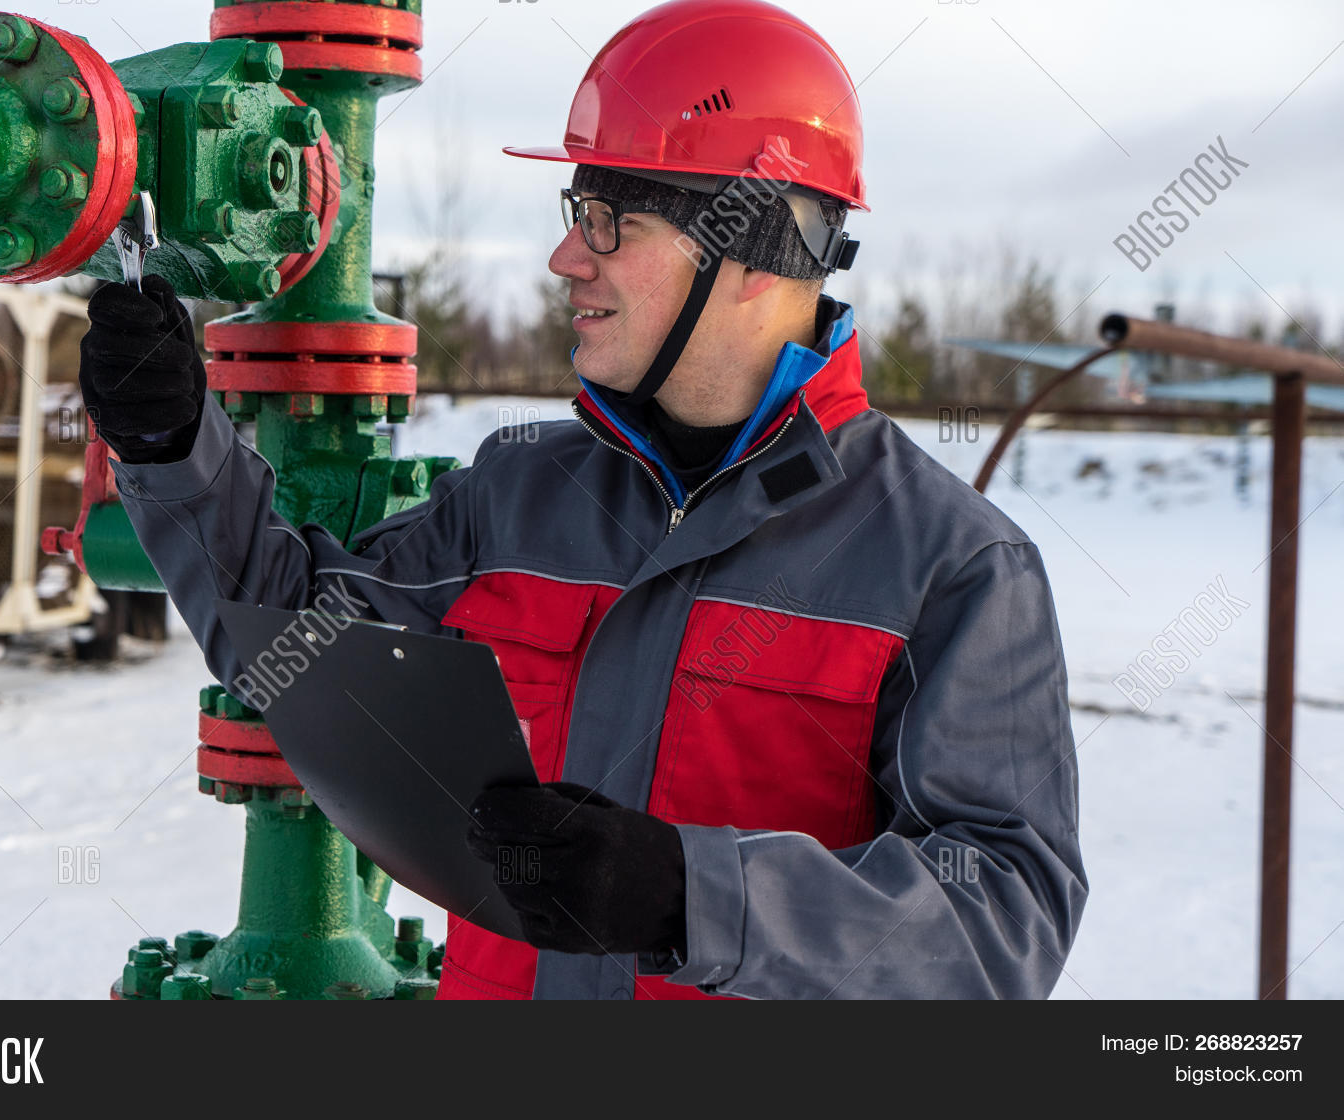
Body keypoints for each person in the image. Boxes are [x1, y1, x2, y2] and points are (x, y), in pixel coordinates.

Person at [79, 0, 1086, 999]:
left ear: (753, 246)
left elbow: (1004, 922)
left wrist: (691, 897)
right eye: (577, 215)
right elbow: (291, 640)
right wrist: (170, 441)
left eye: (614, 222)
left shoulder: (946, 565)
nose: (569, 258)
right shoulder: (522, 492)